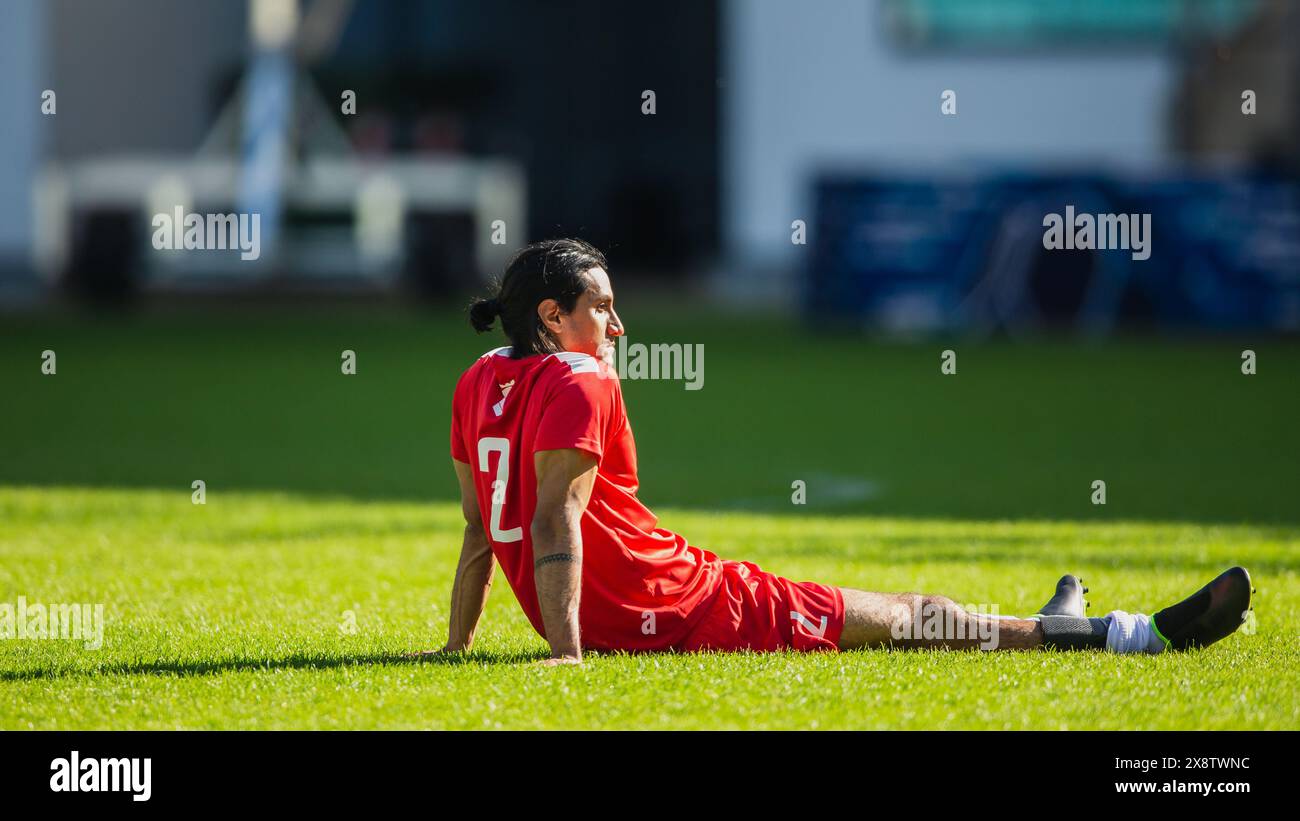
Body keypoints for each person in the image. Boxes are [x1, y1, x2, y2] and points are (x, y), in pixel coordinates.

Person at [420, 238, 1254, 665]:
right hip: (683, 602)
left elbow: (478, 532)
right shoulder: (585, 382)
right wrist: (567, 658)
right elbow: (554, 521)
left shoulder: (474, 381)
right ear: (553, 319)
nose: (620, 326)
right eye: (602, 308)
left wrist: (458, 648)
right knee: (896, 617)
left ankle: (1058, 621)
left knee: (894, 613)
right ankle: (1125, 634)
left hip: (635, 610)